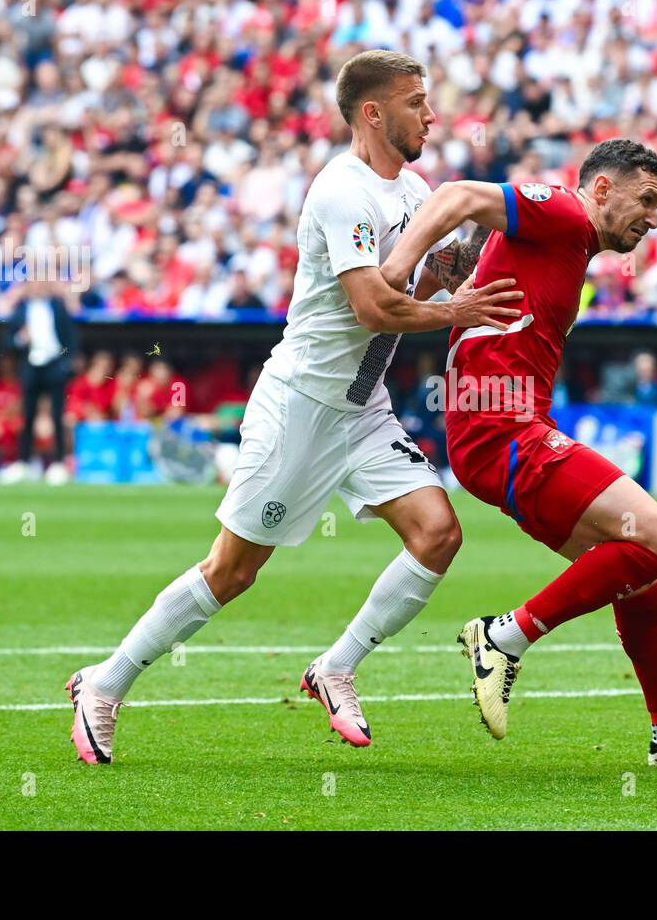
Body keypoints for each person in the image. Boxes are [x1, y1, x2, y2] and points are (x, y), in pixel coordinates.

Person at [64, 50, 521, 764]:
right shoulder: (341, 191)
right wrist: (456, 309)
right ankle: (105, 682)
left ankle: (335, 667)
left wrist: (481, 260)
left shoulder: (416, 189)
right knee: (232, 571)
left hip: (363, 409)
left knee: (437, 533)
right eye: (416, 102)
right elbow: (373, 307)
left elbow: (425, 279)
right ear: (373, 114)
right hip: (301, 407)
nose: (432, 116)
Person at [378, 138, 657, 769]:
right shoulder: (562, 212)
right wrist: (395, 276)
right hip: (502, 431)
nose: (654, 218)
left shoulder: (563, 243)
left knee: (636, 568)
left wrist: (437, 290)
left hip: (499, 433)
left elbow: (466, 262)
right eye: (647, 199)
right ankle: (504, 636)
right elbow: (457, 194)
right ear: (602, 188)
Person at [0, 277, 78, 485]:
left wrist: (66, 363)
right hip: (31, 367)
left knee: (57, 416)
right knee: (27, 416)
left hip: (54, 366)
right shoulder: (21, 310)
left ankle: (59, 463)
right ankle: (23, 462)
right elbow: (7, 341)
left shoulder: (58, 308)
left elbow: (70, 338)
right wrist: (20, 338)